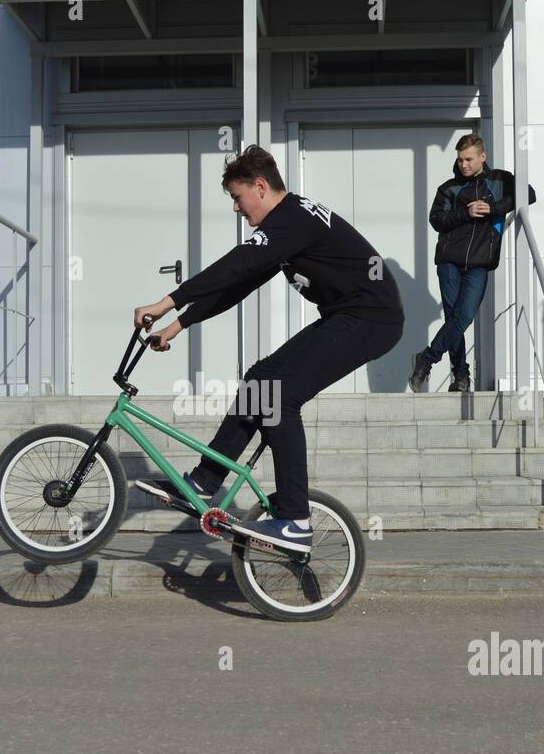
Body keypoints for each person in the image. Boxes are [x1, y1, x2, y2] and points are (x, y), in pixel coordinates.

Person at [133, 145, 404, 551]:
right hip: (350, 316)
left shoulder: (291, 220)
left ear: (260, 187)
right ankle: (206, 481)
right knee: (261, 379)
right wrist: (178, 324)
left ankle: (295, 519)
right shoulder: (286, 225)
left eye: (237, 198)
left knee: (279, 394)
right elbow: (240, 283)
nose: (237, 210)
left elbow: (235, 265)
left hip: (371, 318)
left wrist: (165, 301)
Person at [409, 134, 535, 393]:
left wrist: (495, 208)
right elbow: (436, 220)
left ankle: (427, 358)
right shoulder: (448, 188)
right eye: (460, 159)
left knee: (462, 317)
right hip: (448, 262)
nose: (464, 164)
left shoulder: (500, 179)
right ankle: (461, 378)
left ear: (482, 157)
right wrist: (465, 212)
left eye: (468, 159)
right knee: (454, 317)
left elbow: (529, 195)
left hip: (480, 263)